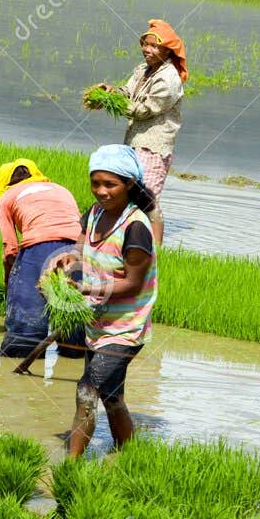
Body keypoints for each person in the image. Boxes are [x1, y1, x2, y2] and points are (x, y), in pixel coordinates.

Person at [67, 144, 158, 458]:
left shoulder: (135, 228)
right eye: (96, 183)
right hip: (97, 324)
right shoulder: (93, 213)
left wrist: (88, 287)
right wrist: (69, 261)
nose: (101, 191)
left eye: (110, 184)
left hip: (125, 328)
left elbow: (133, 283)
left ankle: (70, 466)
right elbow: (79, 248)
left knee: (86, 392)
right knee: (112, 397)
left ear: (129, 184)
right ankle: (128, 456)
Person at [95, 18, 185, 244]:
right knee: (128, 196)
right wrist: (111, 92)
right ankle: (127, 243)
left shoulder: (169, 78)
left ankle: (155, 250)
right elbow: (128, 92)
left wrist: (112, 103)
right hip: (134, 144)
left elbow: (146, 110)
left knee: (147, 200)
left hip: (154, 147)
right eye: (146, 44)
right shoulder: (142, 70)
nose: (148, 50)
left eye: (155, 46)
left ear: (167, 50)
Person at [0, 158, 85, 358]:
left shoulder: (7, 198)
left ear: (3, 184)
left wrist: (10, 284)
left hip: (38, 247)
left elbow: (10, 250)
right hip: (76, 251)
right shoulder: (61, 189)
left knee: (26, 332)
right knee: (73, 325)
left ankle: (22, 357)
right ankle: (72, 355)